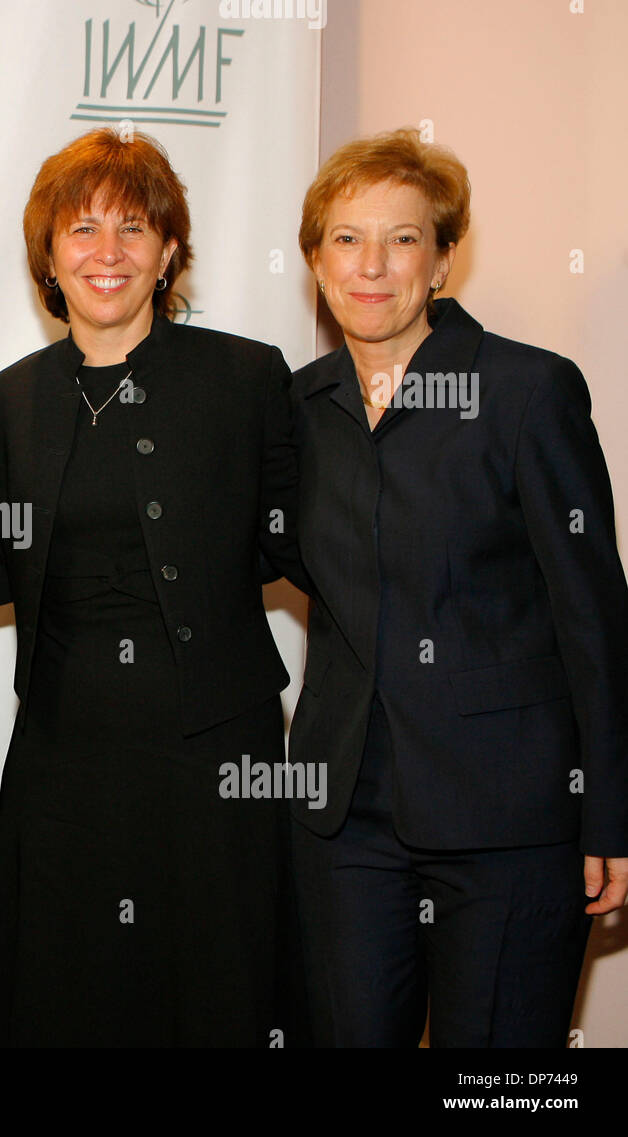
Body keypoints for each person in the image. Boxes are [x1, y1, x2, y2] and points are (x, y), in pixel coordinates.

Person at [0, 127, 308, 1047]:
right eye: (80, 230)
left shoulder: (246, 377)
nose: (106, 252)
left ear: (168, 252)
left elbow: (308, 543)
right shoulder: (7, 400)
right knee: (69, 996)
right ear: (48, 253)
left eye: (132, 228)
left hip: (214, 762)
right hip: (65, 764)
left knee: (217, 992)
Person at [289, 127, 628, 1047]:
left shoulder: (527, 391)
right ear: (316, 259)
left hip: (510, 822)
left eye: (402, 239)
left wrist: (612, 810)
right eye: (346, 239)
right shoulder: (296, 409)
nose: (371, 265)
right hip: (343, 825)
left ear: (442, 259)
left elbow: (594, 616)